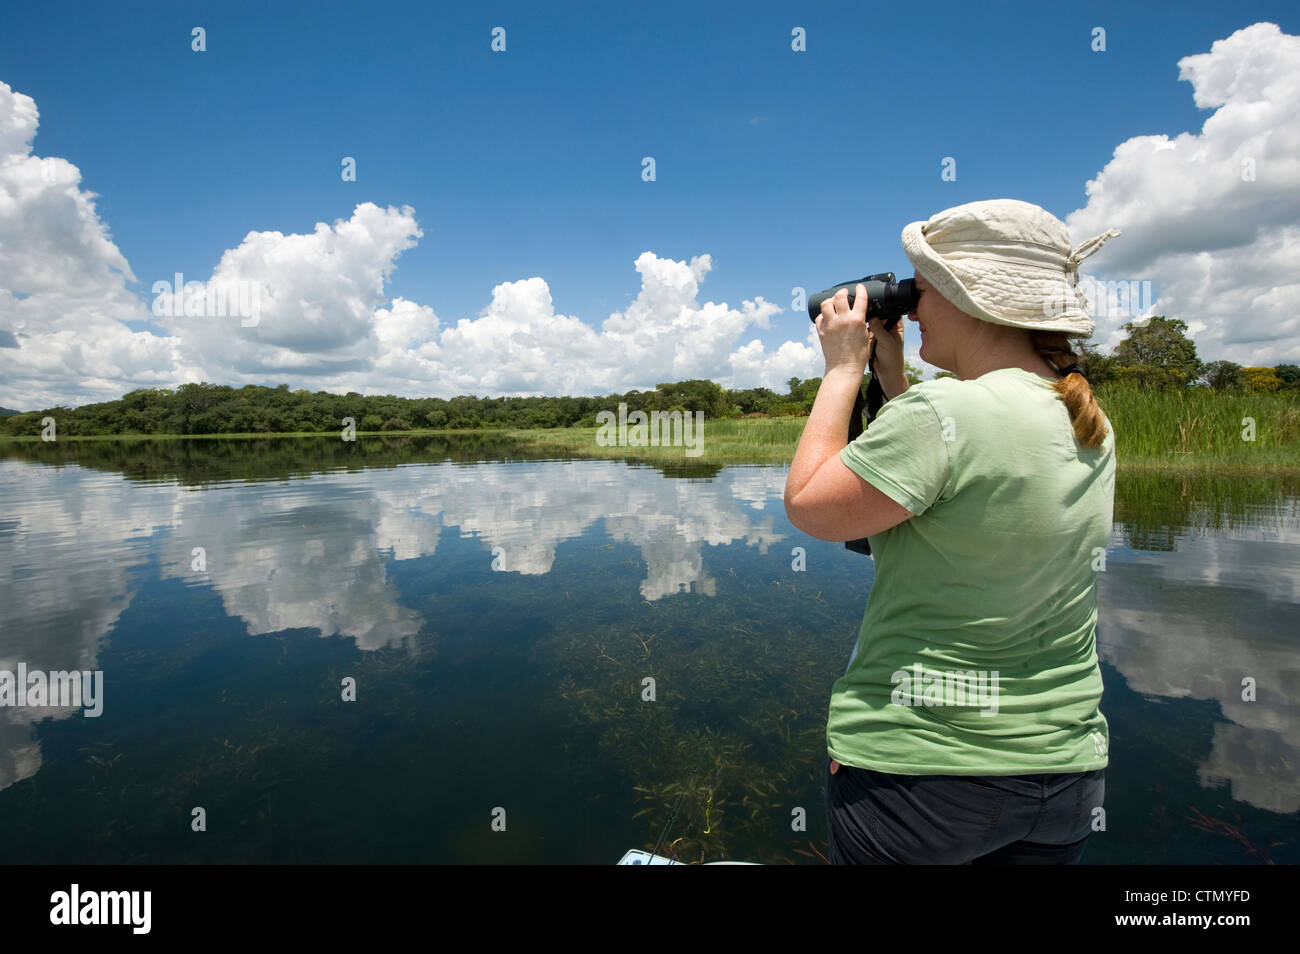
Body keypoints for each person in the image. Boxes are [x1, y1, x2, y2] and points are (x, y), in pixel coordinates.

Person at [784, 198, 1121, 864]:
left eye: (923, 289)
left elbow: (808, 506)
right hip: (1064, 772)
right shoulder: (1086, 419)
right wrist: (892, 376)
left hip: (922, 775)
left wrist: (844, 370)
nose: (910, 307)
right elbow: (954, 469)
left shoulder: (948, 412)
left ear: (971, 299)